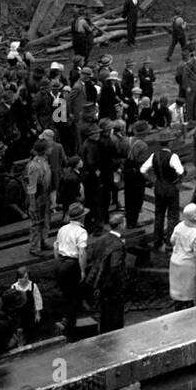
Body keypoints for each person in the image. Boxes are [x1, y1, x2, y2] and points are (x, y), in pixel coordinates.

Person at [83, 215, 127, 333]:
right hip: (113, 285)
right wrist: (121, 281)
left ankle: (104, 332)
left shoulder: (100, 239)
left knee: (104, 312)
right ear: (120, 225)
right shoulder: (118, 245)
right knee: (115, 313)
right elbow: (115, 266)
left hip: (100, 282)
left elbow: (93, 257)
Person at [141, 138, 184, 251]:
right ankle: (170, 243)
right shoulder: (173, 156)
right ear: (170, 143)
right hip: (170, 187)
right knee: (172, 216)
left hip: (159, 186)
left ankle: (157, 241)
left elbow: (143, 170)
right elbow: (180, 171)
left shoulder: (154, 155)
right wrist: (178, 181)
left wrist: (153, 180)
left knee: (159, 215)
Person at [54, 203, 90, 336]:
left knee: (66, 294)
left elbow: (55, 247)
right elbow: (81, 252)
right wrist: (82, 270)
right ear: (81, 218)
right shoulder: (81, 231)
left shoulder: (63, 229)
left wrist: (58, 263)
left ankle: (67, 319)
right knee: (74, 295)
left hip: (60, 263)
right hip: (71, 264)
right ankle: (70, 324)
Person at [169, 202, 196, 309]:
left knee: (178, 292)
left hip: (175, 261)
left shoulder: (179, 226)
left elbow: (172, 241)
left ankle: (177, 308)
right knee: (188, 294)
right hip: (188, 266)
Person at [23, 139, 53, 255]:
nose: (51, 149)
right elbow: (32, 187)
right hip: (37, 197)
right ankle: (34, 247)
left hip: (44, 195)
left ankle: (42, 241)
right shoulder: (35, 166)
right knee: (36, 223)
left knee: (45, 220)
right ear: (45, 151)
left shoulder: (43, 161)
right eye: (49, 148)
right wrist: (32, 204)